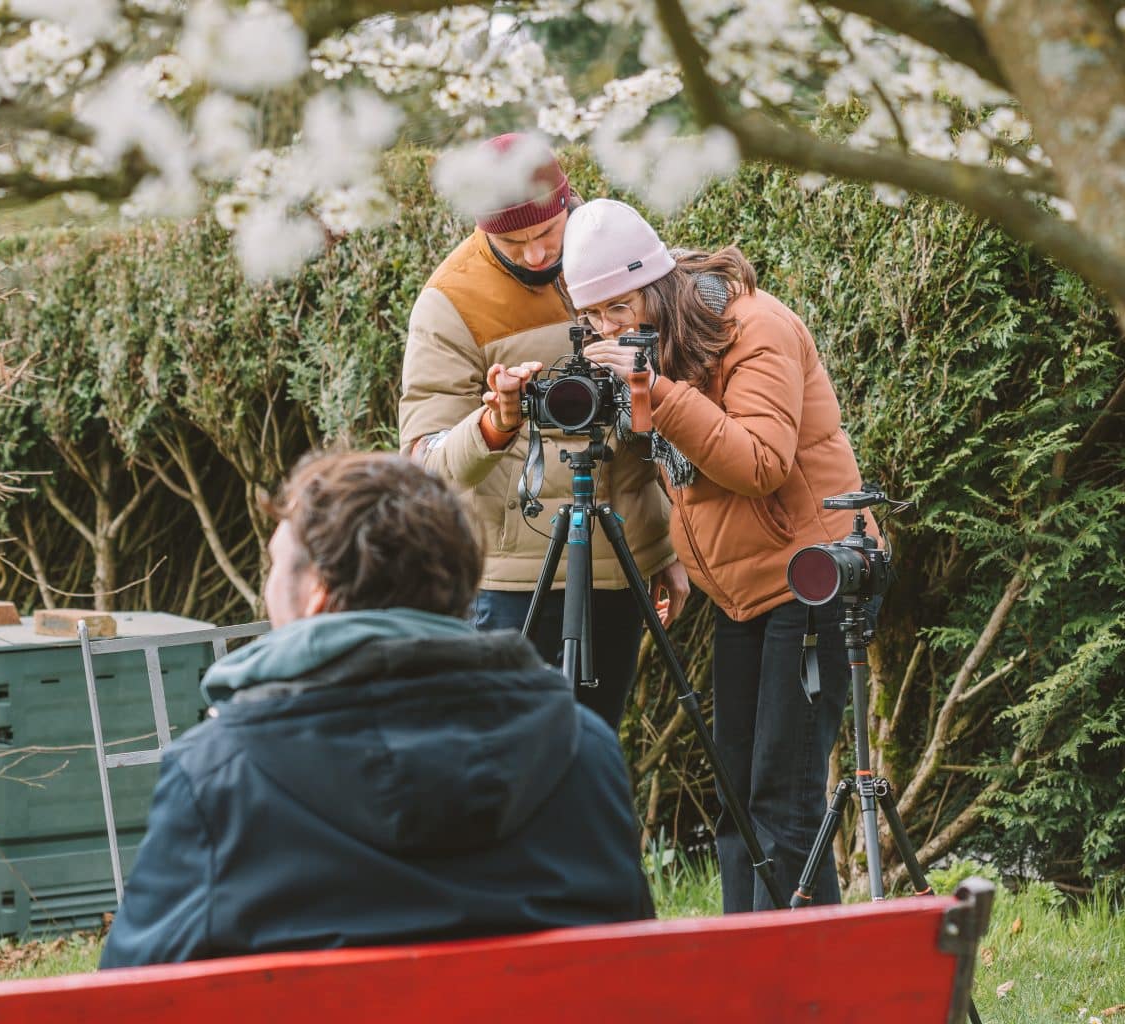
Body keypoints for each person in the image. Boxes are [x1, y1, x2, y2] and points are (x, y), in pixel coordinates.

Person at [99, 451, 653, 969]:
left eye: (272, 566)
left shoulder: (216, 777)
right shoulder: (583, 749)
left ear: (317, 592)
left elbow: (130, 993)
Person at [562, 198, 877, 914]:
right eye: (593, 317)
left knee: (783, 800)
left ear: (655, 282)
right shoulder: (658, 348)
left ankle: (795, 971)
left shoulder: (752, 326)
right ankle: (748, 960)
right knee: (737, 799)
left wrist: (657, 394)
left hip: (815, 576)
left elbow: (761, 463)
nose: (608, 328)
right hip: (742, 592)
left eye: (618, 307)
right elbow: (686, 478)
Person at [399, 132, 688, 731]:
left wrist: (665, 547)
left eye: (547, 233)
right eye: (513, 242)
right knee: (514, 760)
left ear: (566, 202)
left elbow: (654, 418)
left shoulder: (613, 250)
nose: (535, 255)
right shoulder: (451, 300)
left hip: (620, 565)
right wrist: (495, 424)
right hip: (513, 583)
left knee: (596, 749)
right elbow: (424, 463)